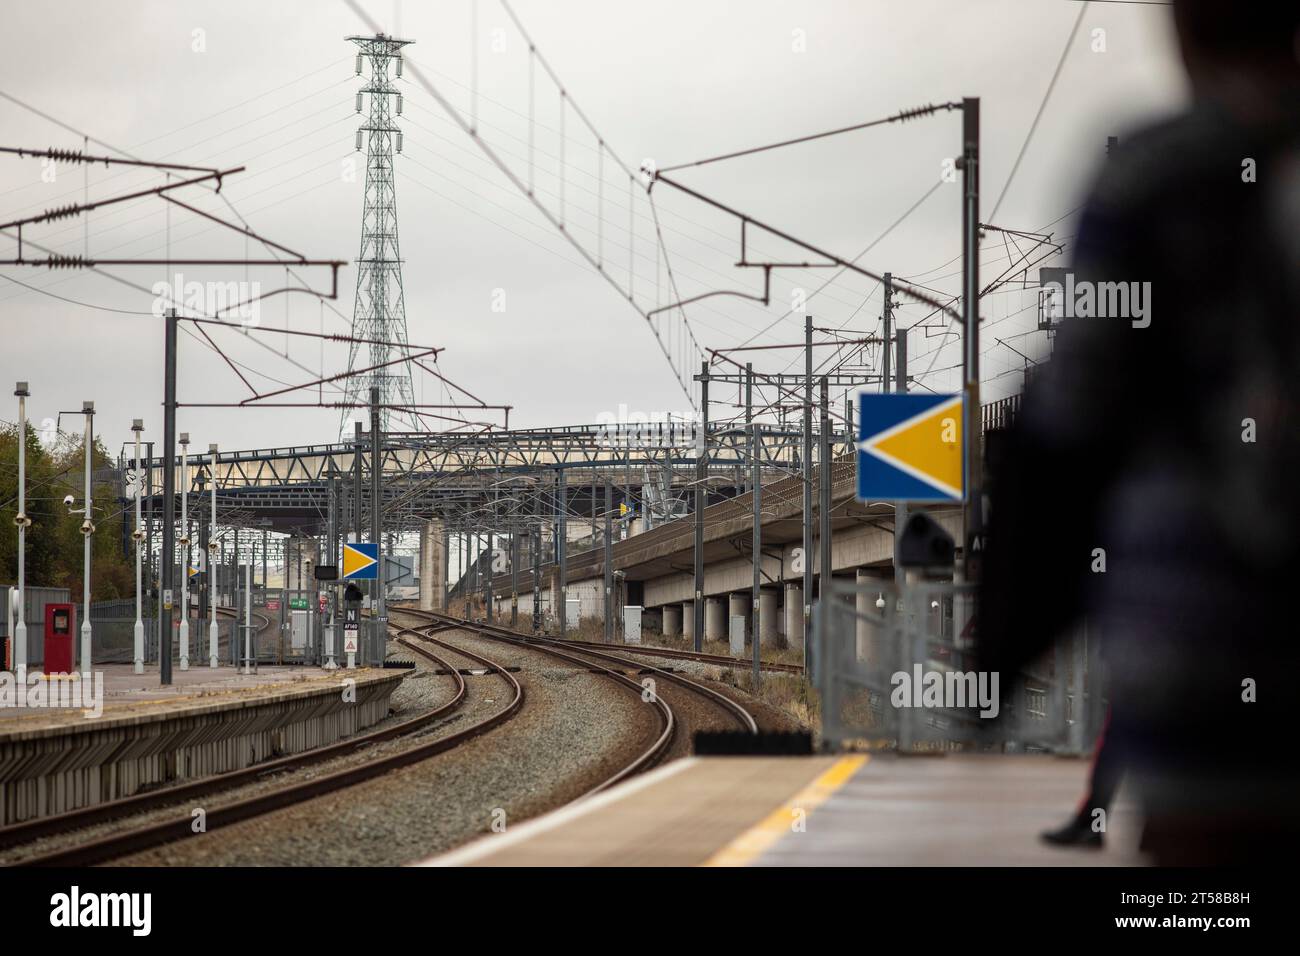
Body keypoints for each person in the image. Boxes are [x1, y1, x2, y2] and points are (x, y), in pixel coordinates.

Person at [980, 0, 1300, 864]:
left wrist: (1001, 650)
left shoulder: (1157, 173)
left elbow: (1075, 417)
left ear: (1186, 28)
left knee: (1204, 880)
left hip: (1211, 638)